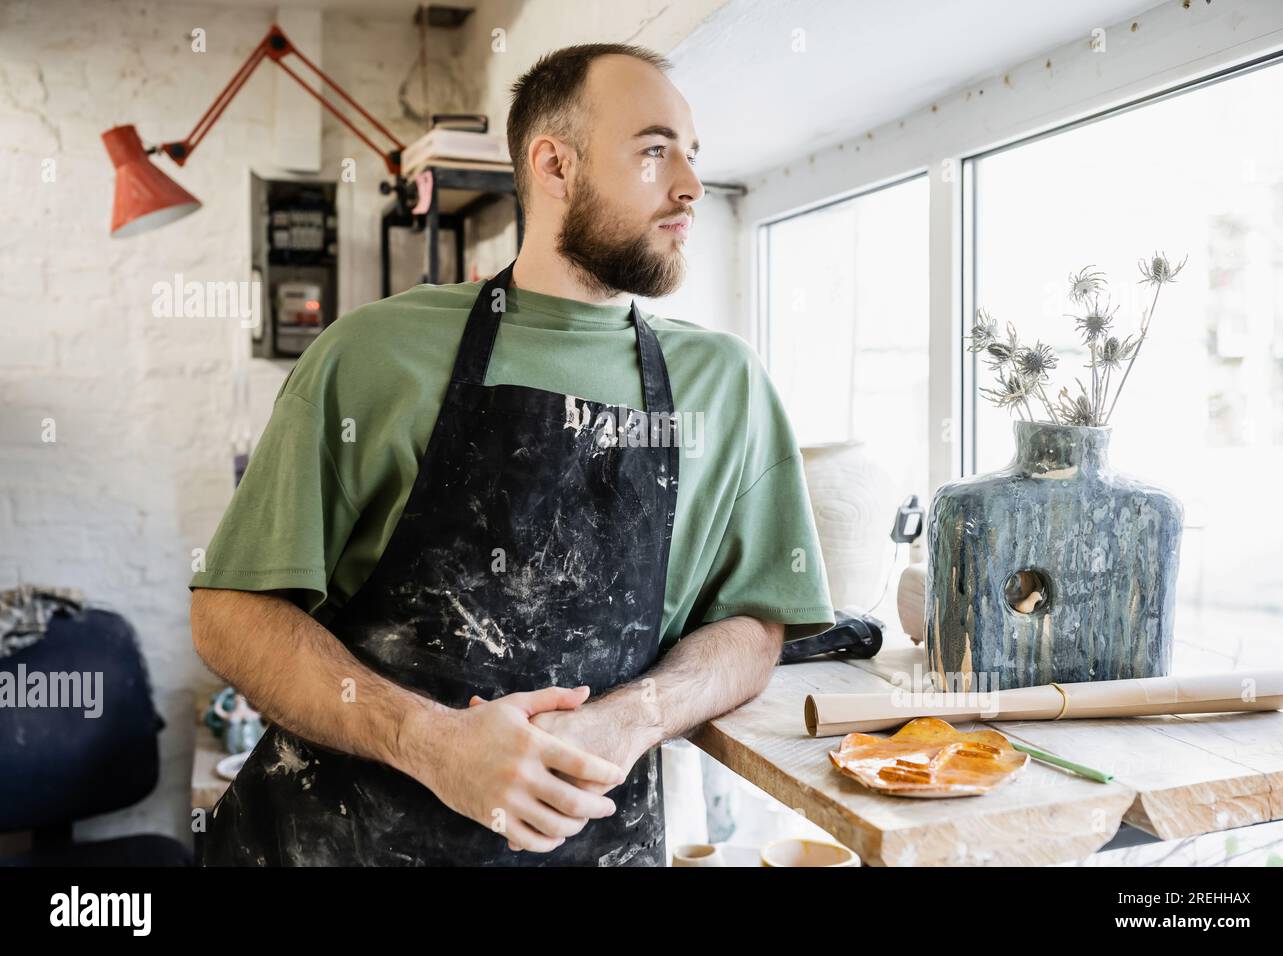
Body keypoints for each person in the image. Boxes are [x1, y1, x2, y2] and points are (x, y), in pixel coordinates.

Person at [190, 42, 834, 866]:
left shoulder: (726, 386)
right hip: (336, 840)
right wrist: (429, 741)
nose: (690, 186)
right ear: (554, 164)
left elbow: (754, 621)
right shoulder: (373, 356)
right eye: (653, 149)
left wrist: (628, 718)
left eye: (692, 155)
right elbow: (230, 612)